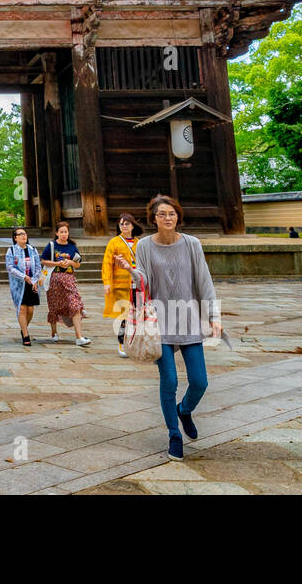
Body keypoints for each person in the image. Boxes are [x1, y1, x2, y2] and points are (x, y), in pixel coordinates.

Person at [126, 195, 220, 462]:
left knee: (200, 381)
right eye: (162, 214)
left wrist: (214, 315)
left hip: (188, 318)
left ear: (178, 216)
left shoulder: (192, 244)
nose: (168, 218)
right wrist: (131, 272)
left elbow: (204, 280)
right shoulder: (143, 245)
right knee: (169, 380)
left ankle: (185, 410)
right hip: (159, 322)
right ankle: (174, 435)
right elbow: (143, 279)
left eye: (172, 213)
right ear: (153, 219)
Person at [42, 221, 91, 347]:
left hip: (69, 279)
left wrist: (69, 262)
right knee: (54, 306)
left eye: (66, 232)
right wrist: (57, 264)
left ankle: (79, 337)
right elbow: (43, 260)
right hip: (54, 279)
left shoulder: (72, 246)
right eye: (61, 232)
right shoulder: (51, 245)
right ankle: (54, 333)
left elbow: (78, 264)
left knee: (75, 304)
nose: (64, 234)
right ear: (57, 233)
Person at [104, 213, 143, 357]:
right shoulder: (114, 242)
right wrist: (107, 282)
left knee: (138, 315)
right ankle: (121, 343)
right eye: (121, 224)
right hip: (121, 285)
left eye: (127, 224)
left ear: (133, 225)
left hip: (137, 283)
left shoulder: (140, 243)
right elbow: (107, 264)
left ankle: (135, 343)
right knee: (125, 315)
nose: (124, 226)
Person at [5, 226, 40, 346]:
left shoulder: (32, 249)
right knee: (22, 308)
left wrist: (35, 280)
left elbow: (38, 267)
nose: (23, 236)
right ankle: (25, 334)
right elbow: (10, 267)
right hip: (19, 284)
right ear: (15, 238)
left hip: (32, 283)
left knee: (30, 310)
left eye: (24, 234)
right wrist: (23, 276)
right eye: (20, 234)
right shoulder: (11, 250)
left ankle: (23, 328)